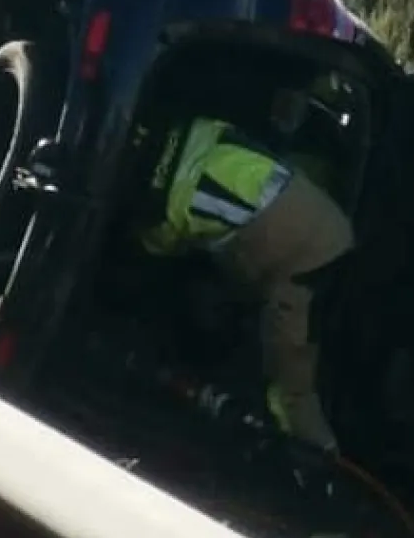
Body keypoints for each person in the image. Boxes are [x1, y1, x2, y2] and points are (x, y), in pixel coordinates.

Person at [141, 91, 357, 452]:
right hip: (323, 232)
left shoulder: (191, 126)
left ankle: (317, 469)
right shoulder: (172, 196)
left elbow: (290, 391)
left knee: (289, 387)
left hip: (307, 253)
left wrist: (315, 454)